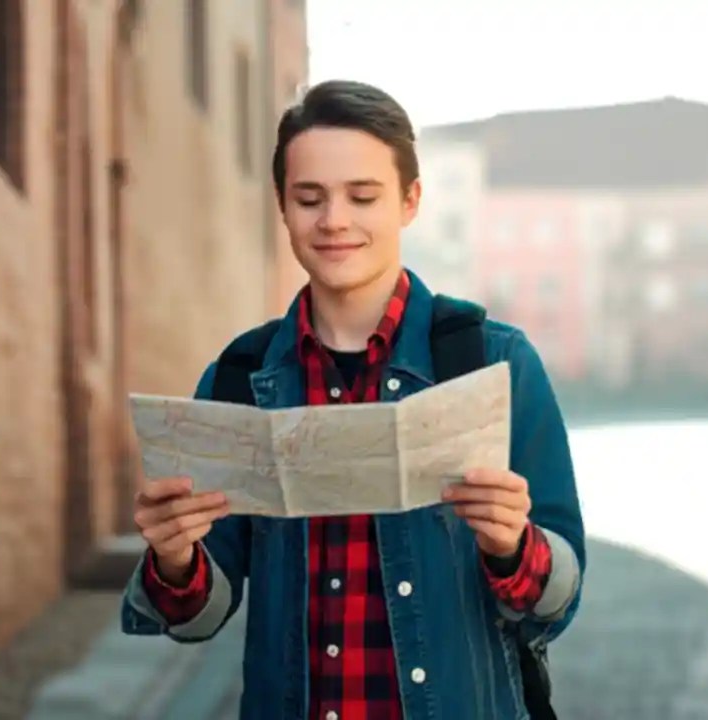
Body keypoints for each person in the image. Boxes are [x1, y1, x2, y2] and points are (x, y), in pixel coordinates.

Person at [119, 79, 586, 720]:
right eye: (309, 198)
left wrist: (513, 545)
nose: (334, 219)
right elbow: (200, 618)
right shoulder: (238, 379)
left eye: (362, 196)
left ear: (410, 201)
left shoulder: (495, 361)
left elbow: (559, 600)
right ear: (282, 207)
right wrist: (174, 560)